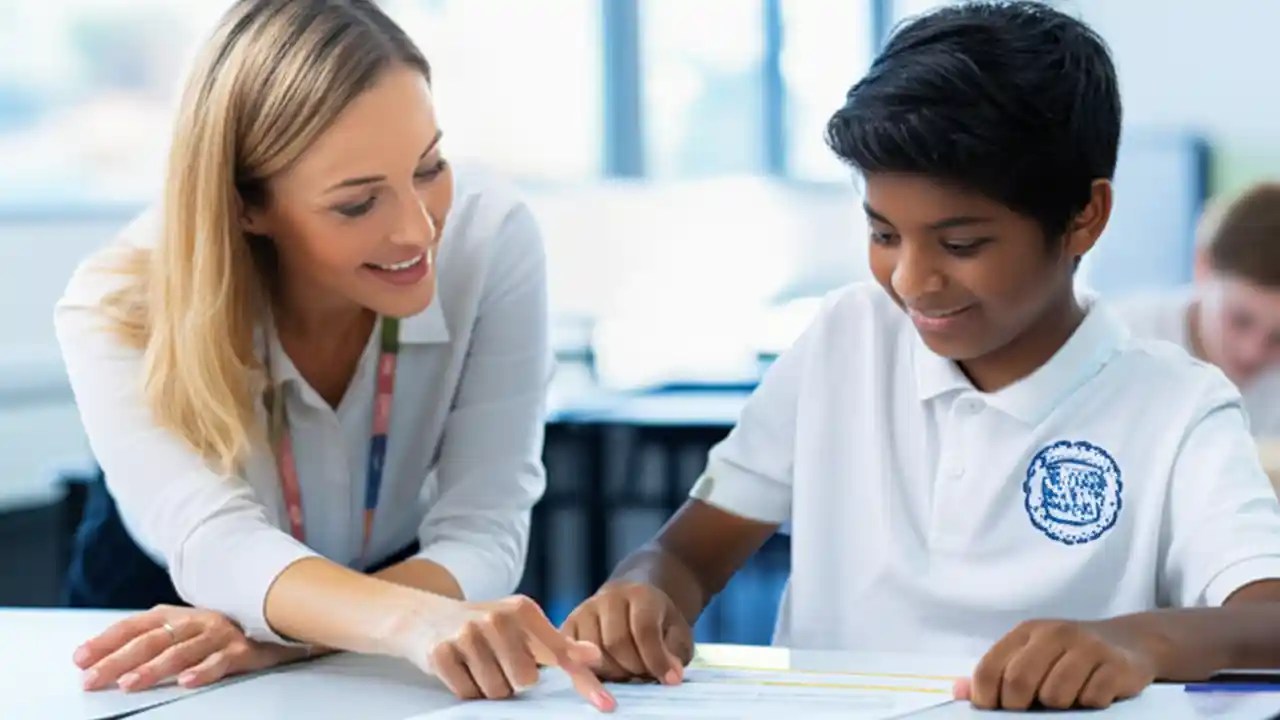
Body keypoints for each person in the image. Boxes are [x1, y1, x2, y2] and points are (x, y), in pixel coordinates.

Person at [561, 1, 1280, 712]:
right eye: (882, 235)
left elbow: (1268, 619)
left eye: (961, 245)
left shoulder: (1177, 407)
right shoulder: (844, 336)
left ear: (1084, 216)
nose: (911, 280)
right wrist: (644, 591)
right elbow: (687, 554)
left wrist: (1141, 642)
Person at [55, 0, 613, 711]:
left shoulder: (490, 238)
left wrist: (292, 640)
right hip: (170, 627)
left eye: (430, 165)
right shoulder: (117, 302)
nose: (419, 231)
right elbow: (218, 547)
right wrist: (403, 623)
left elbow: (485, 528)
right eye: (356, 205)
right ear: (245, 207)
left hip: (395, 609)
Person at [1115, 183, 1280, 438]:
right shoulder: (1114, 346)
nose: (1252, 352)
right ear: (1202, 266)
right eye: (1240, 320)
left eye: (1278, 337)